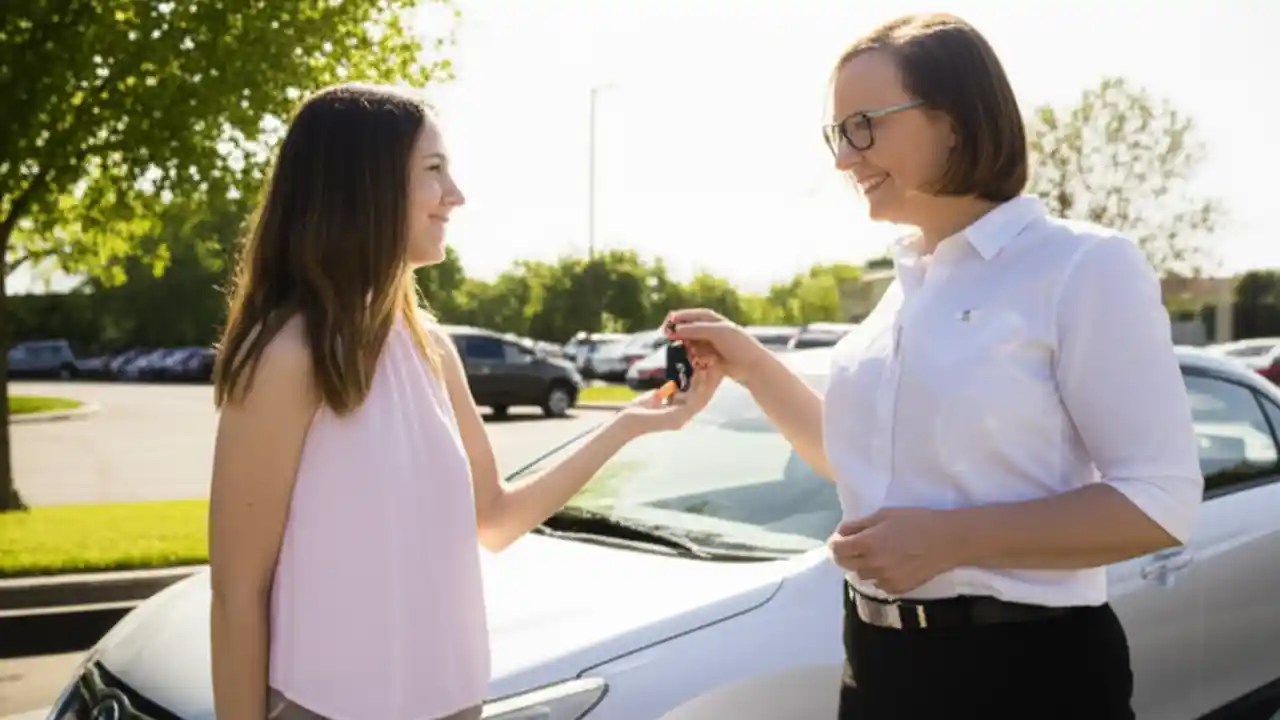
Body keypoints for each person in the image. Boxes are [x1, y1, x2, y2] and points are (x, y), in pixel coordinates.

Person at [665, 13, 1203, 720]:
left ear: (953, 121)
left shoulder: (1082, 264)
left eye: (864, 125)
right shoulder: (903, 289)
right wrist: (753, 364)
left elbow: (1160, 501)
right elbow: (856, 462)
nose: (843, 157)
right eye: (838, 132)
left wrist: (950, 541)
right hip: (877, 664)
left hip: (1024, 674)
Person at [207, 83, 720, 720]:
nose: (456, 194)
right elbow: (236, 591)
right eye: (434, 171)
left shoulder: (432, 349)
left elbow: (496, 518)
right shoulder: (289, 354)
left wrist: (628, 426)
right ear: (364, 187)